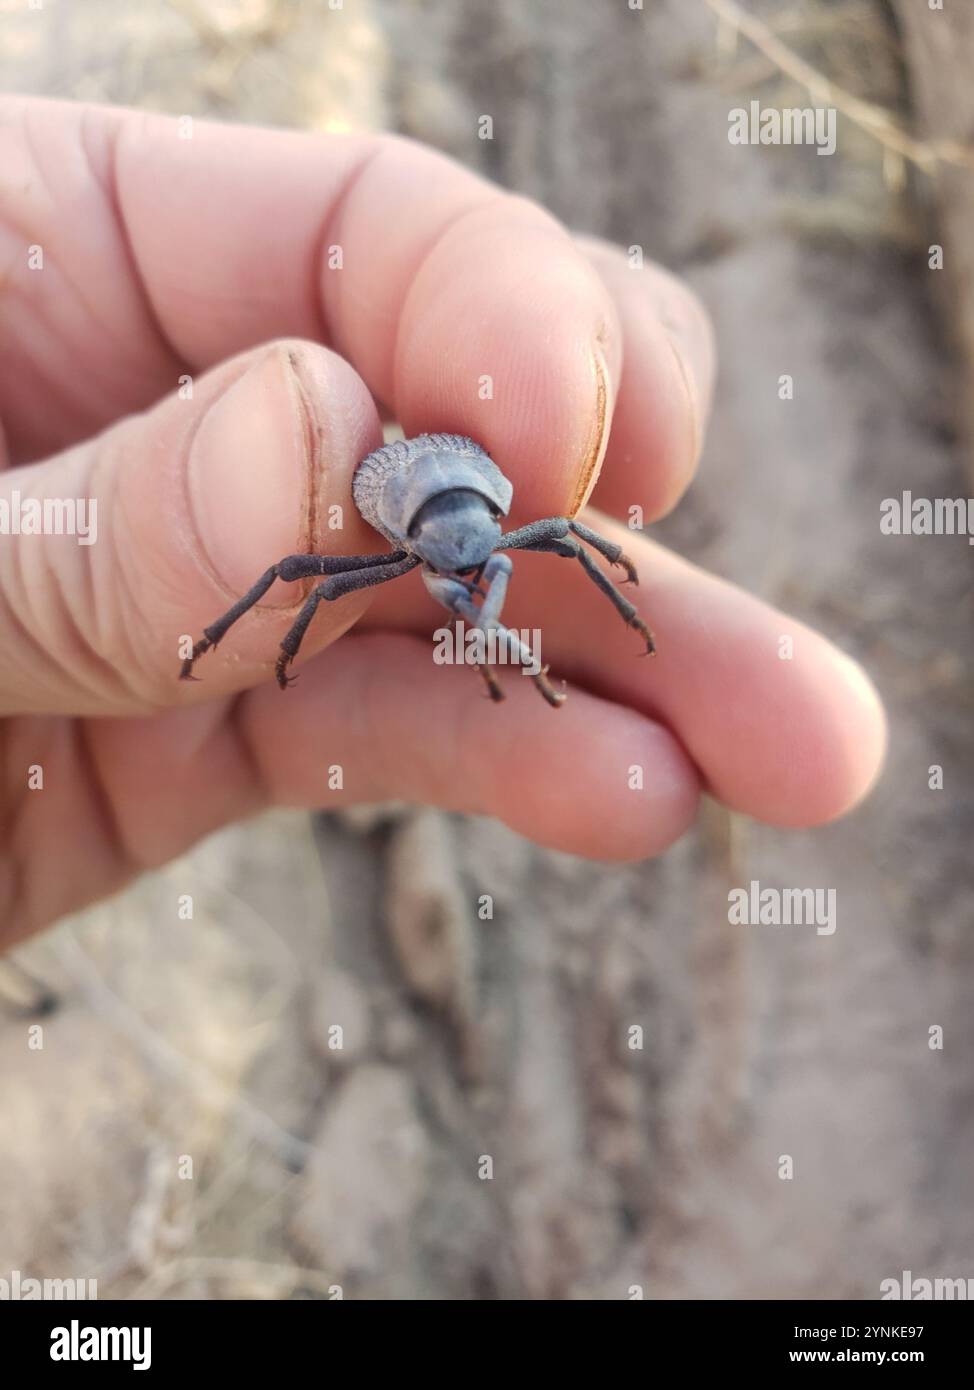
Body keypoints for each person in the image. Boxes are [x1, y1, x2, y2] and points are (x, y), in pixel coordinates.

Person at [0, 98, 887, 940]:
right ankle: (254, 637)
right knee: (291, 574)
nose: (469, 579)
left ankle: (545, 647)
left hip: (459, 490)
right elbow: (298, 583)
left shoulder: (493, 547)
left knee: (568, 538)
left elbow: (557, 543)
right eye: (461, 573)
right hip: (406, 491)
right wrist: (270, 638)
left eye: (479, 567)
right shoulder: (412, 556)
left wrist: (595, 596)